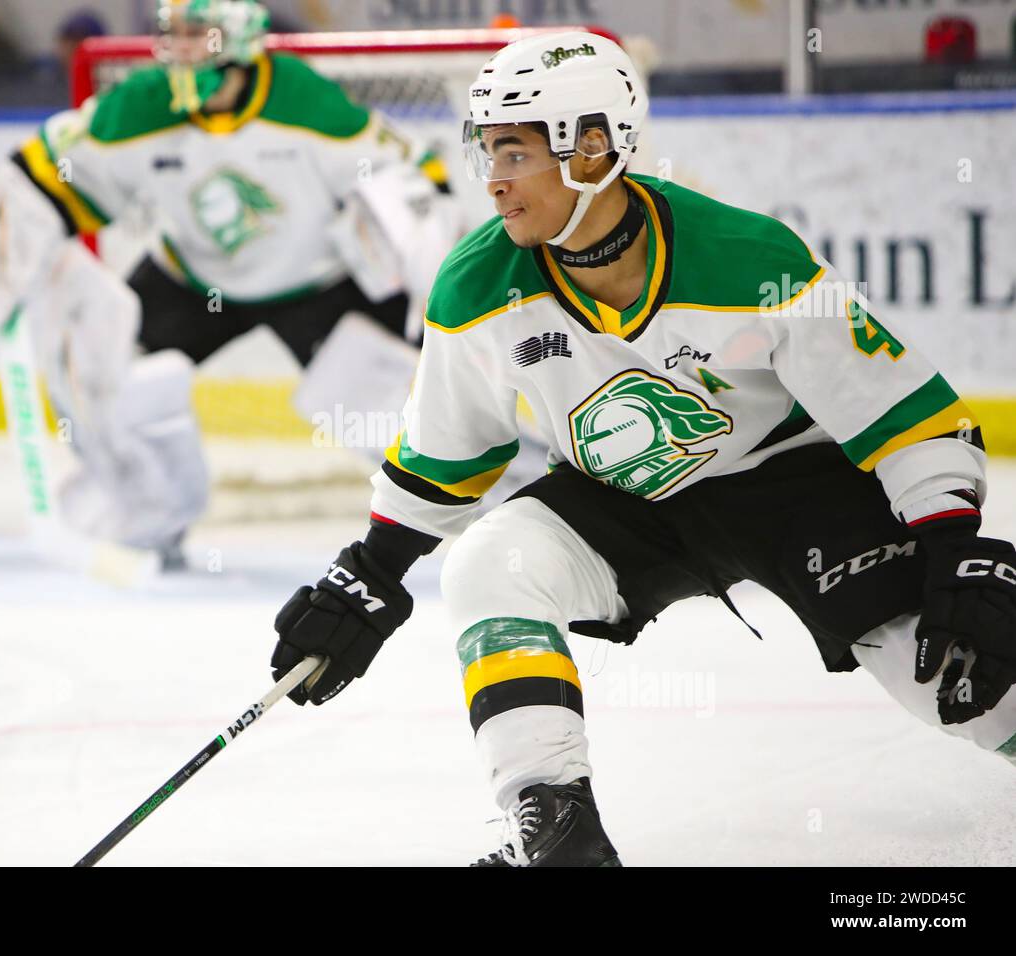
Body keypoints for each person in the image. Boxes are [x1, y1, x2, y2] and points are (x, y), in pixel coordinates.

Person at [268, 31, 1016, 866]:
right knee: (487, 562)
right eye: (487, 152)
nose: (494, 179)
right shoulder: (475, 286)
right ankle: (556, 829)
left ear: (593, 147)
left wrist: (954, 544)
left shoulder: (748, 262)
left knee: (957, 680)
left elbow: (905, 416)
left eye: (515, 151)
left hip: (793, 486)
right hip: (618, 499)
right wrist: (368, 573)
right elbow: (450, 456)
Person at [0, 0, 463, 562]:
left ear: (236, 38)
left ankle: (490, 509)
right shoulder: (143, 104)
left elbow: (412, 176)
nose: (178, 48)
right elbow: (47, 175)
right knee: (119, 380)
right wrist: (0, 253)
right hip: (191, 278)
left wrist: (428, 287)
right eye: (171, 32)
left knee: (378, 406)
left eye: (196, 33)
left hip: (315, 281)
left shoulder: (303, 101)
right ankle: (149, 521)